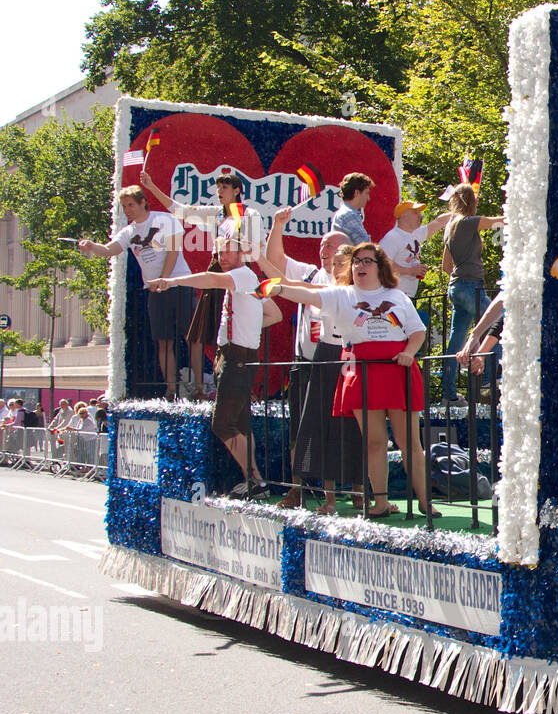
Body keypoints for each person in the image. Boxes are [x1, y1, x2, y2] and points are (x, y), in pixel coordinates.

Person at [267, 244, 438, 519]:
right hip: (363, 373)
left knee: (410, 442)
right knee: (374, 442)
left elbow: (417, 331)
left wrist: (407, 352)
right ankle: (380, 503)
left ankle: (425, 502)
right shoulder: (341, 294)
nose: (360, 266)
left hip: (398, 372)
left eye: (367, 261)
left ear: (380, 266)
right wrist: (278, 289)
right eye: (357, 261)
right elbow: (308, 294)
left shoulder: (397, 296)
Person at [147, 226, 282, 498]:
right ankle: (254, 480)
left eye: (228, 250)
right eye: (219, 251)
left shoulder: (243, 275)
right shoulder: (246, 280)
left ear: (242, 253)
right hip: (232, 355)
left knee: (223, 424)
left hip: (237, 358)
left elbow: (211, 280)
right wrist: (249, 331)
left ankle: (256, 481)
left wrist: (172, 281)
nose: (222, 255)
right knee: (240, 423)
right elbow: (273, 313)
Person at [260, 212, 365, 514]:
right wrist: (277, 226)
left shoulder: (354, 288)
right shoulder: (309, 274)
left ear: (348, 254)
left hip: (344, 362)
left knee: (350, 428)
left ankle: (357, 492)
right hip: (308, 361)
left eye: (332, 246)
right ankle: (298, 491)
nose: (325, 250)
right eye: (322, 245)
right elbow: (277, 265)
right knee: (303, 428)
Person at [79, 185, 200, 399]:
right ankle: (171, 389)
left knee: (192, 338)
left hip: (179, 284)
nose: (128, 210)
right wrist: (90, 246)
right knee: (164, 340)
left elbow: (173, 252)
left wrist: (165, 278)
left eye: (131, 205)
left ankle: (200, 386)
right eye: (124, 206)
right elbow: (109, 250)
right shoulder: (129, 231)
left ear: (143, 202)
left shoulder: (164, 220)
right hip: (155, 289)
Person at [440, 184, 505, 405]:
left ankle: (448, 394)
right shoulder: (467, 223)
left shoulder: (450, 226)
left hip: (456, 286)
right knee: (496, 326)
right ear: (471, 202)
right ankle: (488, 387)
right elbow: (497, 221)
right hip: (470, 286)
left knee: (456, 341)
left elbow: (445, 265)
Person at [379, 200, 453, 306]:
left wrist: (462, 209)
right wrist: (410, 271)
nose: (420, 216)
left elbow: (439, 222)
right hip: (391, 297)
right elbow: (382, 263)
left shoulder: (415, 234)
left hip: (407, 296)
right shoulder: (392, 237)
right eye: (415, 212)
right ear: (404, 215)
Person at [332, 172, 373, 246]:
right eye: (366, 193)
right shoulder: (349, 215)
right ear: (356, 193)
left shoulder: (346, 213)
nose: (368, 198)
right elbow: (365, 246)